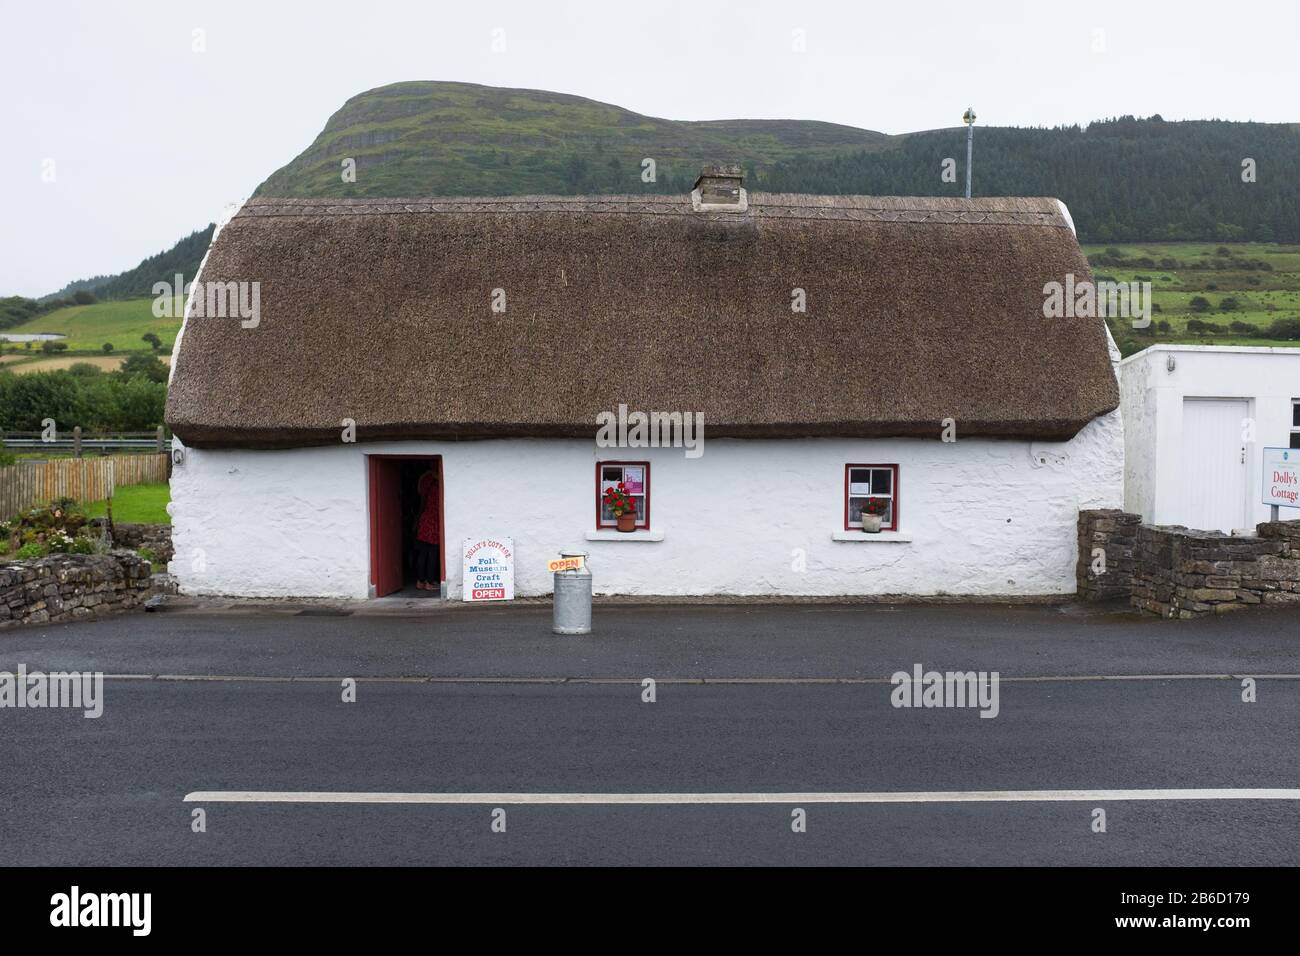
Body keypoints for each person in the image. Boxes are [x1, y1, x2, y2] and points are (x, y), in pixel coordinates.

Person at [413, 469, 441, 591]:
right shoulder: (437, 486)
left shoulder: (425, 482)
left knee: (422, 552)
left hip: (424, 519)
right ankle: (430, 582)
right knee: (433, 553)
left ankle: (420, 581)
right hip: (434, 521)